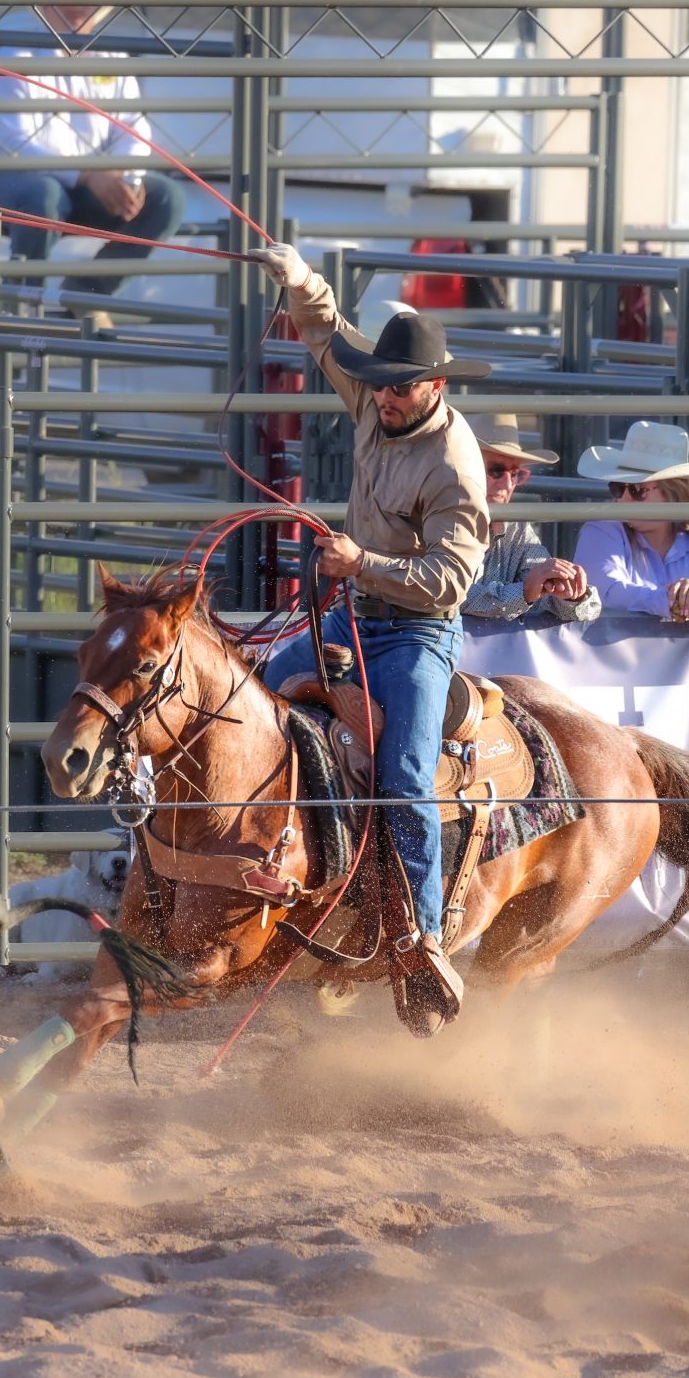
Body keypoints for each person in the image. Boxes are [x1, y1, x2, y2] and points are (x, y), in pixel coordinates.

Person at [245, 240, 488, 1038]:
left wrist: (363, 562)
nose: (384, 398)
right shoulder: (376, 399)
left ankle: (421, 939)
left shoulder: (454, 462)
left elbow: (450, 580)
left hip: (417, 634)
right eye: (380, 386)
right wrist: (297, 276)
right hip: (357, 617)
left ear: (436, 387)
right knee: (257, 698)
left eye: (399, 387)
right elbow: (327, 335)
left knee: (407, 774)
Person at [0, 2, 186, 302]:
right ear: (44, 3)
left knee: (165, 196)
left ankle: (87, 294)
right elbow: (12, 145)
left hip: (83, 187)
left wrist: (124, 176)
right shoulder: (16, 56)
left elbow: (132, 124)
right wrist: (88, 174)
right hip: (21, 185)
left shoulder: (111, 55)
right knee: (42, 195)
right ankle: (24, 302)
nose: (80, 5)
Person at [572, 422, 689, 634]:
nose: (623, 498)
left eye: (637, 490)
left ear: (672, 493)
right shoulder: (602, 531)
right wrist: (678, 601)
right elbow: (604, 592)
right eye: (617, 488)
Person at [461, 412, 600, 624]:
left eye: (515, 474)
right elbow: (448, 598)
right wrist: (526, 590)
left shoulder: (517, 528)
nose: (508, 485)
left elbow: (544, 590)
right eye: (496, 471)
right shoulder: (432, 520)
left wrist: (570, 593)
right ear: (464, 469)